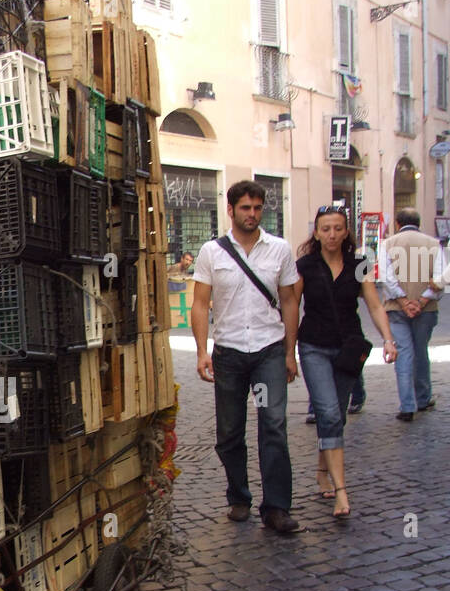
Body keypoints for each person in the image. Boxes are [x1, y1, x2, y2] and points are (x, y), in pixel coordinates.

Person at [191, 180, 301, 534]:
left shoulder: (279, 249)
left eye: (257, 208)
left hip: (268, 349)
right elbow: (200, 303)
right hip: (229, 353)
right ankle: (239, 496)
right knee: (229, 431)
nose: (252, 214)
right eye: (245, 208)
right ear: (231, 209)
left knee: (273, 426)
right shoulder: (212, 251)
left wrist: (289, 352)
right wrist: (201, 351)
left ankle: (277, 508)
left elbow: (288, 301)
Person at [292, 208, 397, 520]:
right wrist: (287, 352)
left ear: (346, 231)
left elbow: (375, 305)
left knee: (336, 415)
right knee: (327, 412)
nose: (332, 235)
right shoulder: (305, 266)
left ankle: (322, 470)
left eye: (338, 228)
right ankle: (341, 490)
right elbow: (291, 307)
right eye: (326, 229)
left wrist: (388, 338)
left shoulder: (358, 264)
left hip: (349, 348)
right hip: (313, 345)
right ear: (317, 233)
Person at [379, 210, 445, 420]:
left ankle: (407, 406)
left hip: (397, 309)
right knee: (421, 351)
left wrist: (403, 301)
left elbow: (386, 278)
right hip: (426, 309)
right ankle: (423, 398)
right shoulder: (433, 244)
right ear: (418, 223)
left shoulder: (387, 244)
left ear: (398, 224)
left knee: (404, 353)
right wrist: (421, 300)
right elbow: (441, 277)